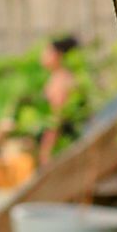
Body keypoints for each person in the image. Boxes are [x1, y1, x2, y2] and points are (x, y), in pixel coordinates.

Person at [38, 33, 84, 163]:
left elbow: (56, 119)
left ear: (57, 55)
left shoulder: (60, 82)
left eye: (47, 51)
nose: (42, 55)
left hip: (61, 144)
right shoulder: (58, 78)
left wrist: (45, 152)